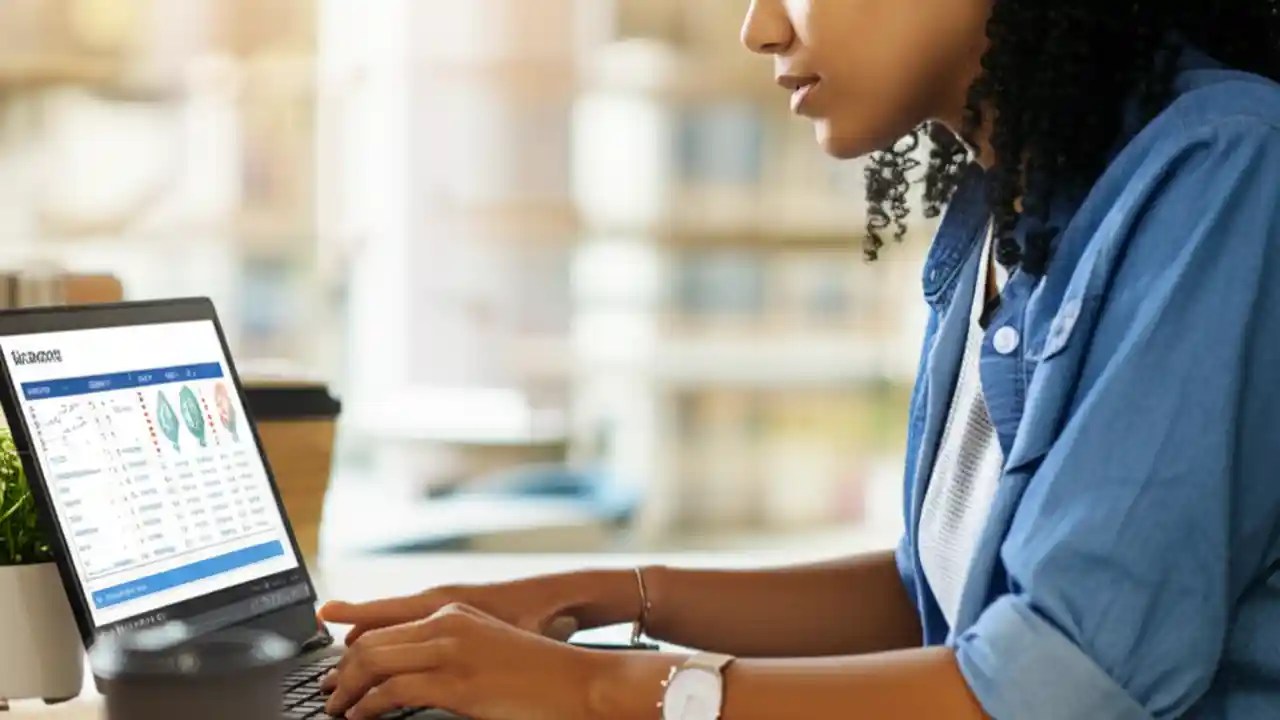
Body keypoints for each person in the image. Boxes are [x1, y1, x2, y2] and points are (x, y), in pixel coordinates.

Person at [318, 1, 1280, 718]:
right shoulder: (1007, 207)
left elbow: (1054, 681)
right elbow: (931, 596)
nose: (759, 27)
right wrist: (588, 597)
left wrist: (597, 689)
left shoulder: (1228, 170)